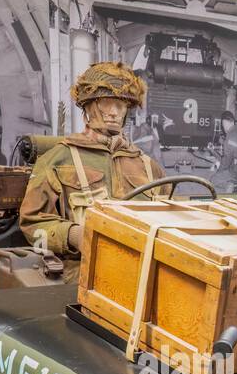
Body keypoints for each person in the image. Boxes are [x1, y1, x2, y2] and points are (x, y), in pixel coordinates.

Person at [19, 62, 166, 264]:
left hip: (142, 269)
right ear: (89, 105)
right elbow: (31, 225)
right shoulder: (58, 159)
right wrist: (74, 235)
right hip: (80, 271)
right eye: (106, 102)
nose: (114, 112)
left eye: (121, 104)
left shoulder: (149, 167)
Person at [210, 112, 237, 193]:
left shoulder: (229, 138)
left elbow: (225, 163)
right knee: (231, 169)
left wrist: (218, 172)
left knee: (213, 180)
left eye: (223, 124)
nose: (223, 127)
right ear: (233, 121)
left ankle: (234, 185)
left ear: (224, 123)